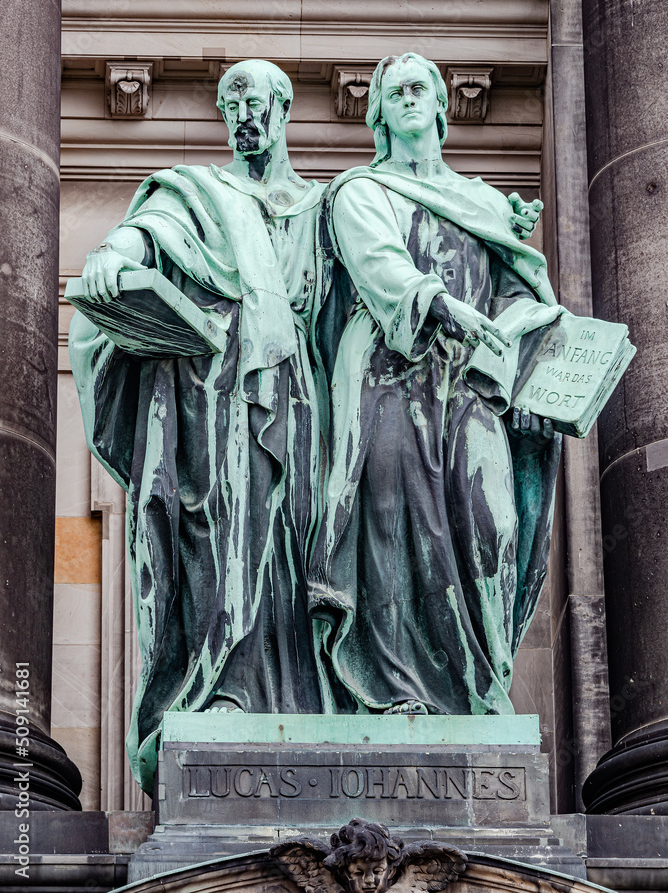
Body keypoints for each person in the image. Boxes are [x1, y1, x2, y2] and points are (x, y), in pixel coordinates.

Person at [70, 60, 324, 793]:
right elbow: (142, 236)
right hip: (215, 399)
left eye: (256, 99)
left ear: (284, 109)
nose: (244, 112)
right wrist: (114, 256)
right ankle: (222, 689)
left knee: (298, 549)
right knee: (221, 536)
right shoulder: (197, 192)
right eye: (230, 101)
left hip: (306, 407)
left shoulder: (325, 205)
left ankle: (308, 698)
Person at [309, 53, 562, 716]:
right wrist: (448, 308)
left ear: (443, 105)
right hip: (388, 378)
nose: (409, 99)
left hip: (472, 383)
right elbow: (381, 269)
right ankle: (397, 692)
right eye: (395, 92)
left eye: (421, 88)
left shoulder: (482, 201)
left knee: (494, 523)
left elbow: (517, 294)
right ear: (379, 112)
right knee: (392, 528)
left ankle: (483, 685)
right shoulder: (360, 192)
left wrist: (541, 360)